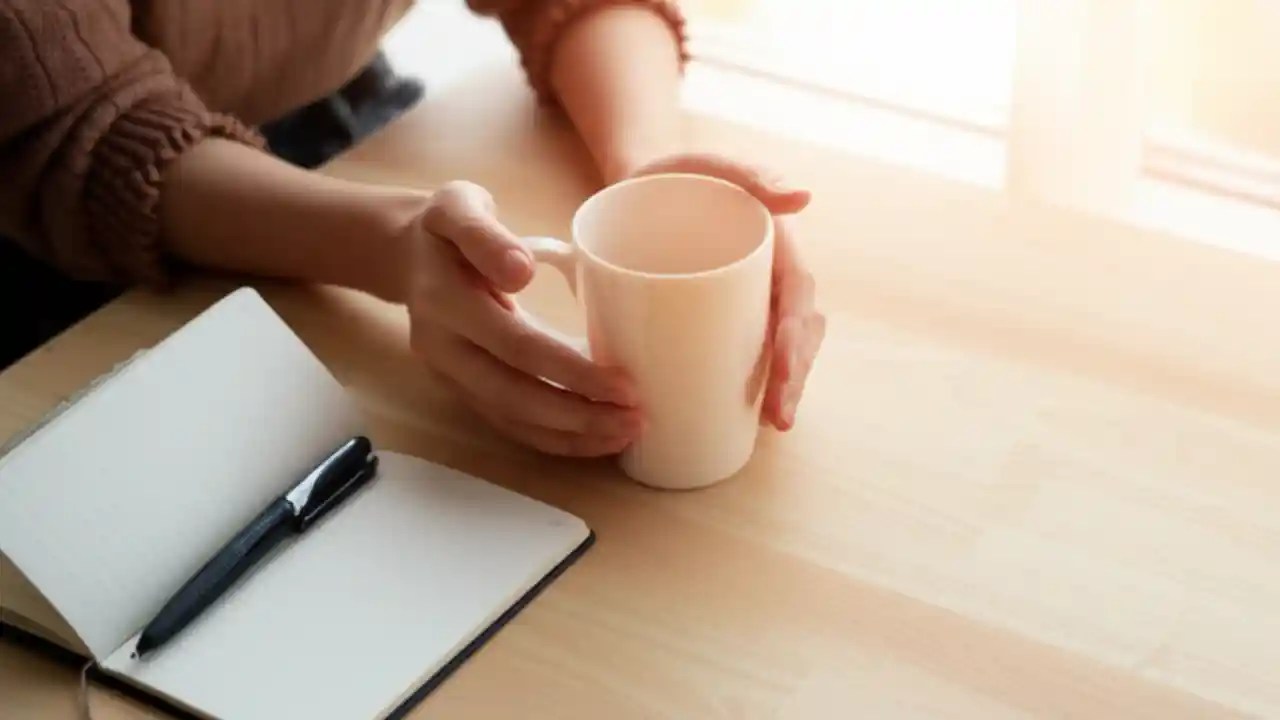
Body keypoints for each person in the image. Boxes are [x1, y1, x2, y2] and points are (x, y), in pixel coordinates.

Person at [0, 0, 825, 458]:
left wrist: (650, 167)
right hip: (61, 247)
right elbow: (79, 129)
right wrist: (393, 244)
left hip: (347, 117)